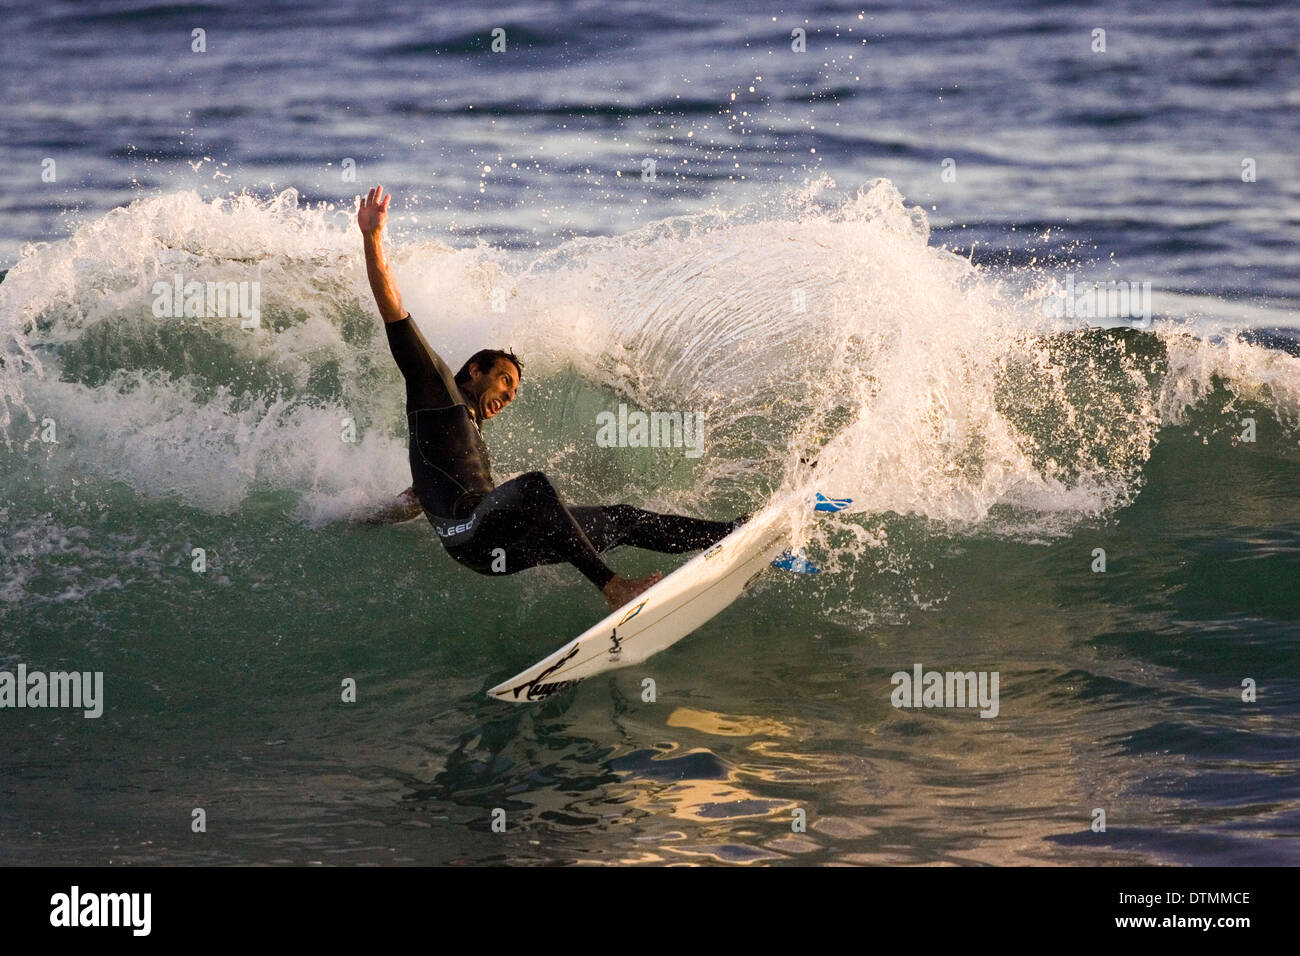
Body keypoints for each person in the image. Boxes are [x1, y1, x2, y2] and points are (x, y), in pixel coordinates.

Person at [358, 186, 747, 610]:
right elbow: (394, 312)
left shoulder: (462, 430)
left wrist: (368, 517)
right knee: (533, 486)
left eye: (515, 391)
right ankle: (613, 588)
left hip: (497, 546)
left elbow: (422, 490)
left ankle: (730, 534)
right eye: (505, 380)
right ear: (475, 370)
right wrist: (373, 236)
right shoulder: (438, 389)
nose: (509, 395)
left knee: (622, 518)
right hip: (468, 534)